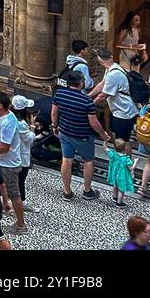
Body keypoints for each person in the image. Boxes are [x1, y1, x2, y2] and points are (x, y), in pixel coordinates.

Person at [52, 68, 111, 200]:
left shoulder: (59, 93)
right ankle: (87, 190)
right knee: (88, 161)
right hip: (83, 136)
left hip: (65, 132)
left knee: (66, 160)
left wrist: (55, 126)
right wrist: (103, 134)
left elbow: (54, 113)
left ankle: (67, 192)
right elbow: (94, 122)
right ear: (80, 83)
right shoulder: (86, 101)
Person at [0, 91, 27, 234]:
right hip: (0, 162)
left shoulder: (8, 122)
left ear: (0, 105)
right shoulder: (1, 116)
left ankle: (21, 225)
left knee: (14, 195)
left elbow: (5, 147)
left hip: (8, 165)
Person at [93, 46, 140, 142]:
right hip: (118, 111)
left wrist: (89, 105)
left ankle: (124, 157)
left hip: (124, 113)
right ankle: (120, 155)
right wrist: (88, 96)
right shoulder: (112, 68)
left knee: (122, 142)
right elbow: (101, 85)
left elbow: (103, 95)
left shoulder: (113, 74)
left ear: (99, 60)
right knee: (119, 139)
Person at [110, 138, 135, 206]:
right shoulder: (126, 159)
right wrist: (135, 162)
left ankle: (114, 197)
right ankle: (119, 203)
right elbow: (131, 168)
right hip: (122, 176)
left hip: (115, 175)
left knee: (115, 186)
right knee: (121, 190)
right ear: (125, 148)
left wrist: (105, 142)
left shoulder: (113, 155)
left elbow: (106, 149)